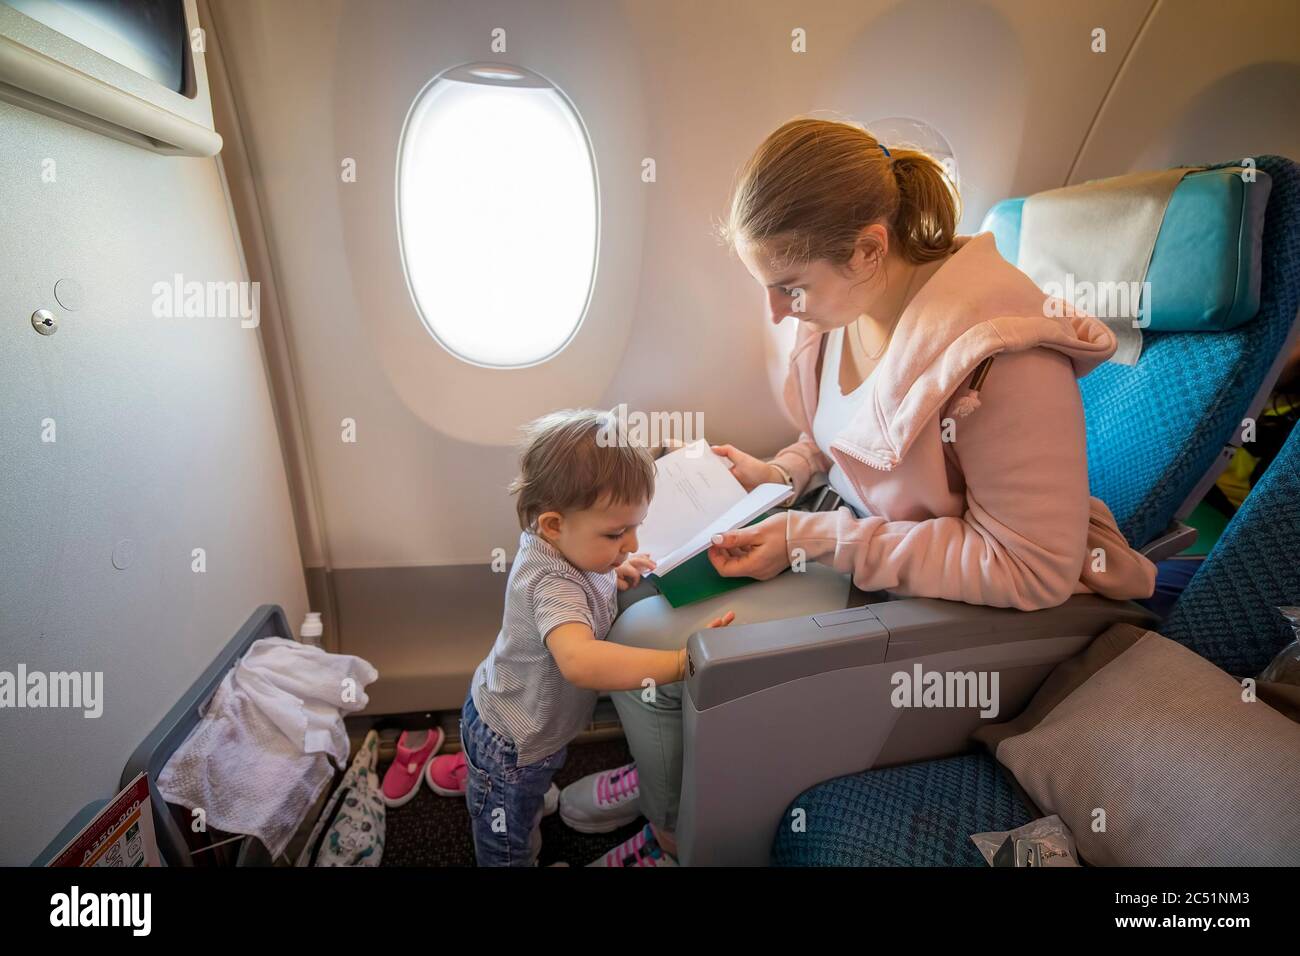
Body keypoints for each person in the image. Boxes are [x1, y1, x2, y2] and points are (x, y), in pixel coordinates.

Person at [573, 117, 1157, 866]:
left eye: (789, 287)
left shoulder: (1002, 364)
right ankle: (672, 764)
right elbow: (843, 438)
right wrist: (778, 473)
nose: (779, 314)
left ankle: (676, 832)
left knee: (647, 637)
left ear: (870, 247)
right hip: (850, 544)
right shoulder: (847, 306)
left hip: (940, 606)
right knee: (630, 575)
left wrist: (809, 538)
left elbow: (1032, 567)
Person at [461, 408, 732, 866]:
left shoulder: (577, 549)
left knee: (528, 792)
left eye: (634, 527)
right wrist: (676, 663)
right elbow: (580, 662)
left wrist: (616, 570)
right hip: (512, 744)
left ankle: (522, 800)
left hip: (531, 726)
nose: (630, 542)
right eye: (615, 533)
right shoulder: (549, 581)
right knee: (504, 836)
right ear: (553, 525)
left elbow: (588, 576)